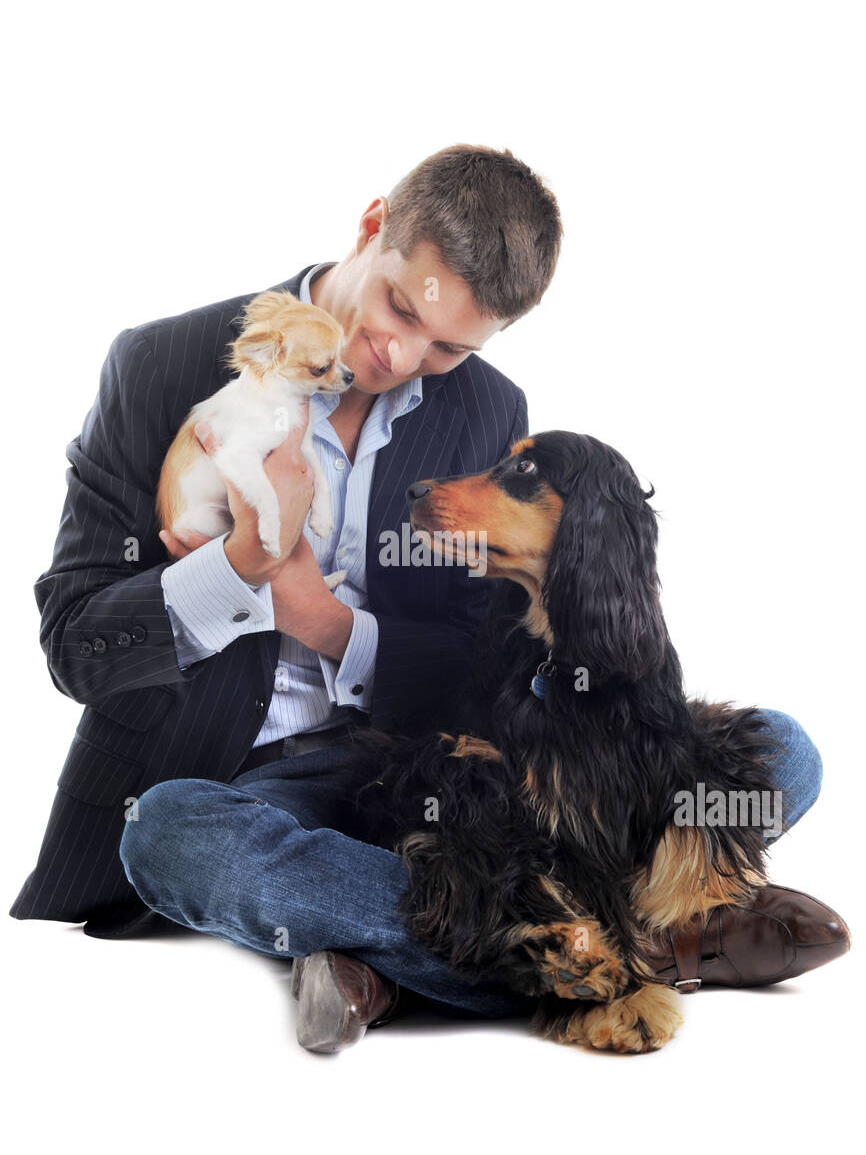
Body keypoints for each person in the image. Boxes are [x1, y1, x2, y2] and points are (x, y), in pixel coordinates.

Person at [11, 145, 848, 1053]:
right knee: (172, 835)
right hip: (235, 787)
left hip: (438, 786)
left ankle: (391, 963)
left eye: (448, 346)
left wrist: (325, 623)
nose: (402, 355)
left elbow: (475, 653)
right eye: (400, 308)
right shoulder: (158, 365)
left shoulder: (487, 408)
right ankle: (636, 943)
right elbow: (76, 649)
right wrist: (241, 569)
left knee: (783, 756)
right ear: (373, 225)